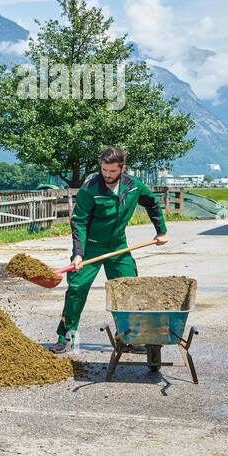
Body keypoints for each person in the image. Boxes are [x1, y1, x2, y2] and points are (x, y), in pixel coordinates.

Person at [55, 146, 167, 352]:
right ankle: (66, 336)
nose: (107, 175)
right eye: (104, 170)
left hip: (118, 246)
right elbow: (78, 221)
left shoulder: (134, 186)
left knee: (128, 288)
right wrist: (78, 253)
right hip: (91, 247)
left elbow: (152, 203)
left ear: (122, 168)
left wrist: (161, 231)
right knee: (77, 288)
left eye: (112, 171)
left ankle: (127, 337)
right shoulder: (90, 189)